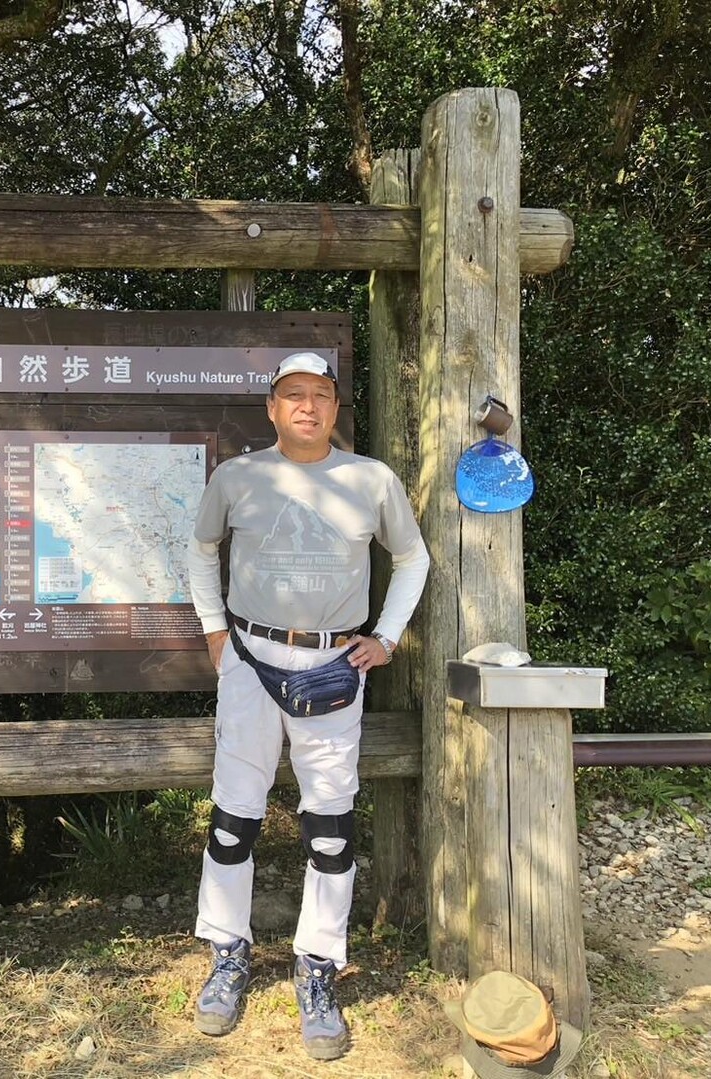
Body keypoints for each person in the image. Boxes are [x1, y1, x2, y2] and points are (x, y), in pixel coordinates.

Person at [185, 351, 430, 1059]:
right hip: (251, 659)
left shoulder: (371, 479)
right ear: (272, 407)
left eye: (320, 395)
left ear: (334, 406)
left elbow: (412, 558)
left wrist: (385, 636)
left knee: (329, 823)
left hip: (333, 666)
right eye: (292, 395)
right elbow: (202, 548)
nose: (307, 406)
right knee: (234, 817)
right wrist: (213, 630)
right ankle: (227, 953)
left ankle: (317, 964)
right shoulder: (238, 476)